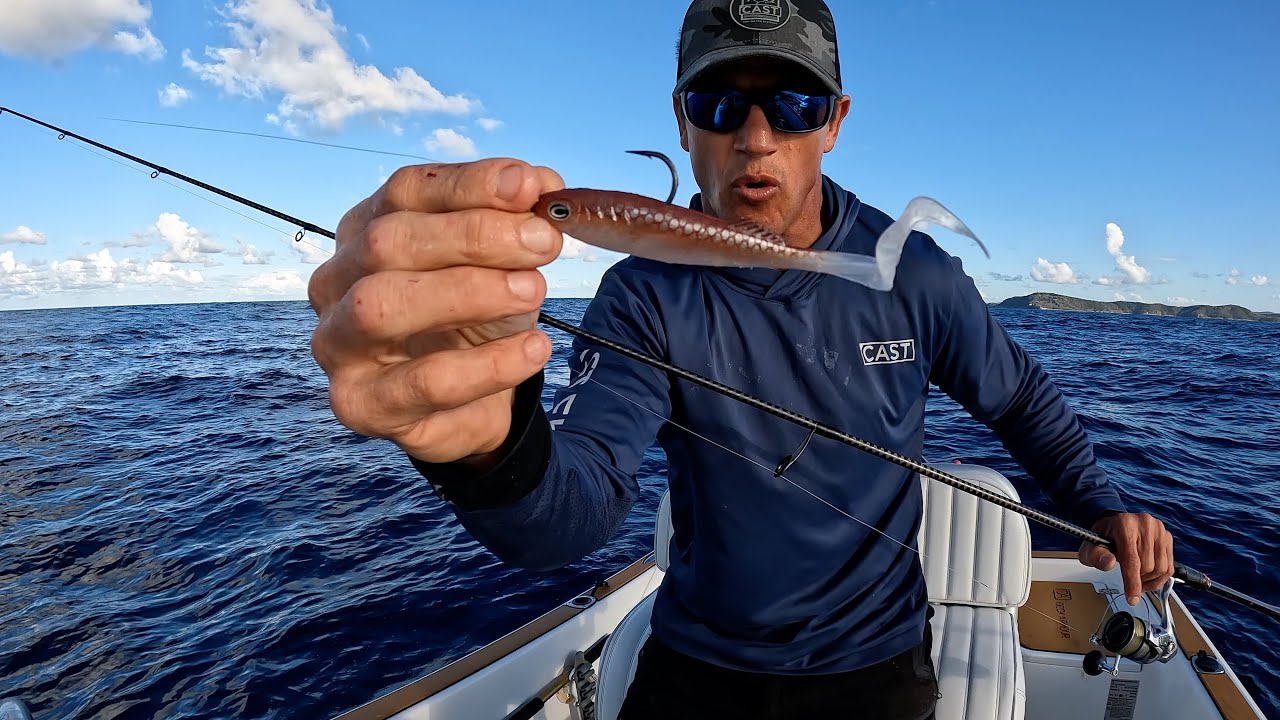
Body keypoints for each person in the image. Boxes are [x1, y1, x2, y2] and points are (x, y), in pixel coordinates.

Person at [308, 1, 1176, 717]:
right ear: (684, 125)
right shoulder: (642, 296)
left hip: (878, 666)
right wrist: (490, 447)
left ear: (833, 123)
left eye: (792, 105)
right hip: (699, 661)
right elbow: (572, 513)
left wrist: (1097, 504)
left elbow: (1019, 397)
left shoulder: (912, 271)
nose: (755, 137)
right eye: (722, 104)